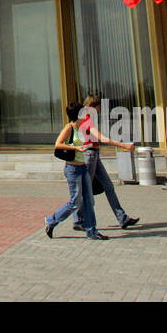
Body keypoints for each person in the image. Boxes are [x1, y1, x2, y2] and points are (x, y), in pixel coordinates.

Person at [71, 94, 140, 232]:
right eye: (98, 108)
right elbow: (103, 138)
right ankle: (78, 220)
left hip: (94, 155)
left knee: (108, 186)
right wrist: (124, 146)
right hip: (89, 155)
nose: (99, 111)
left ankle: (122, 218)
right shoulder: (86, 118)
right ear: (94, 106)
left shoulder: (84, 117)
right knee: (86, 189)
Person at [44, 102, 108, 240]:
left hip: (83, 167)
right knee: (75, 202)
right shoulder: (69, 128)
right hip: (72, 169)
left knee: (89, 200)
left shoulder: (81, 127)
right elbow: (58, 144)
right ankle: (51, 220)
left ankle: (92, 230)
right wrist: (77, 148)